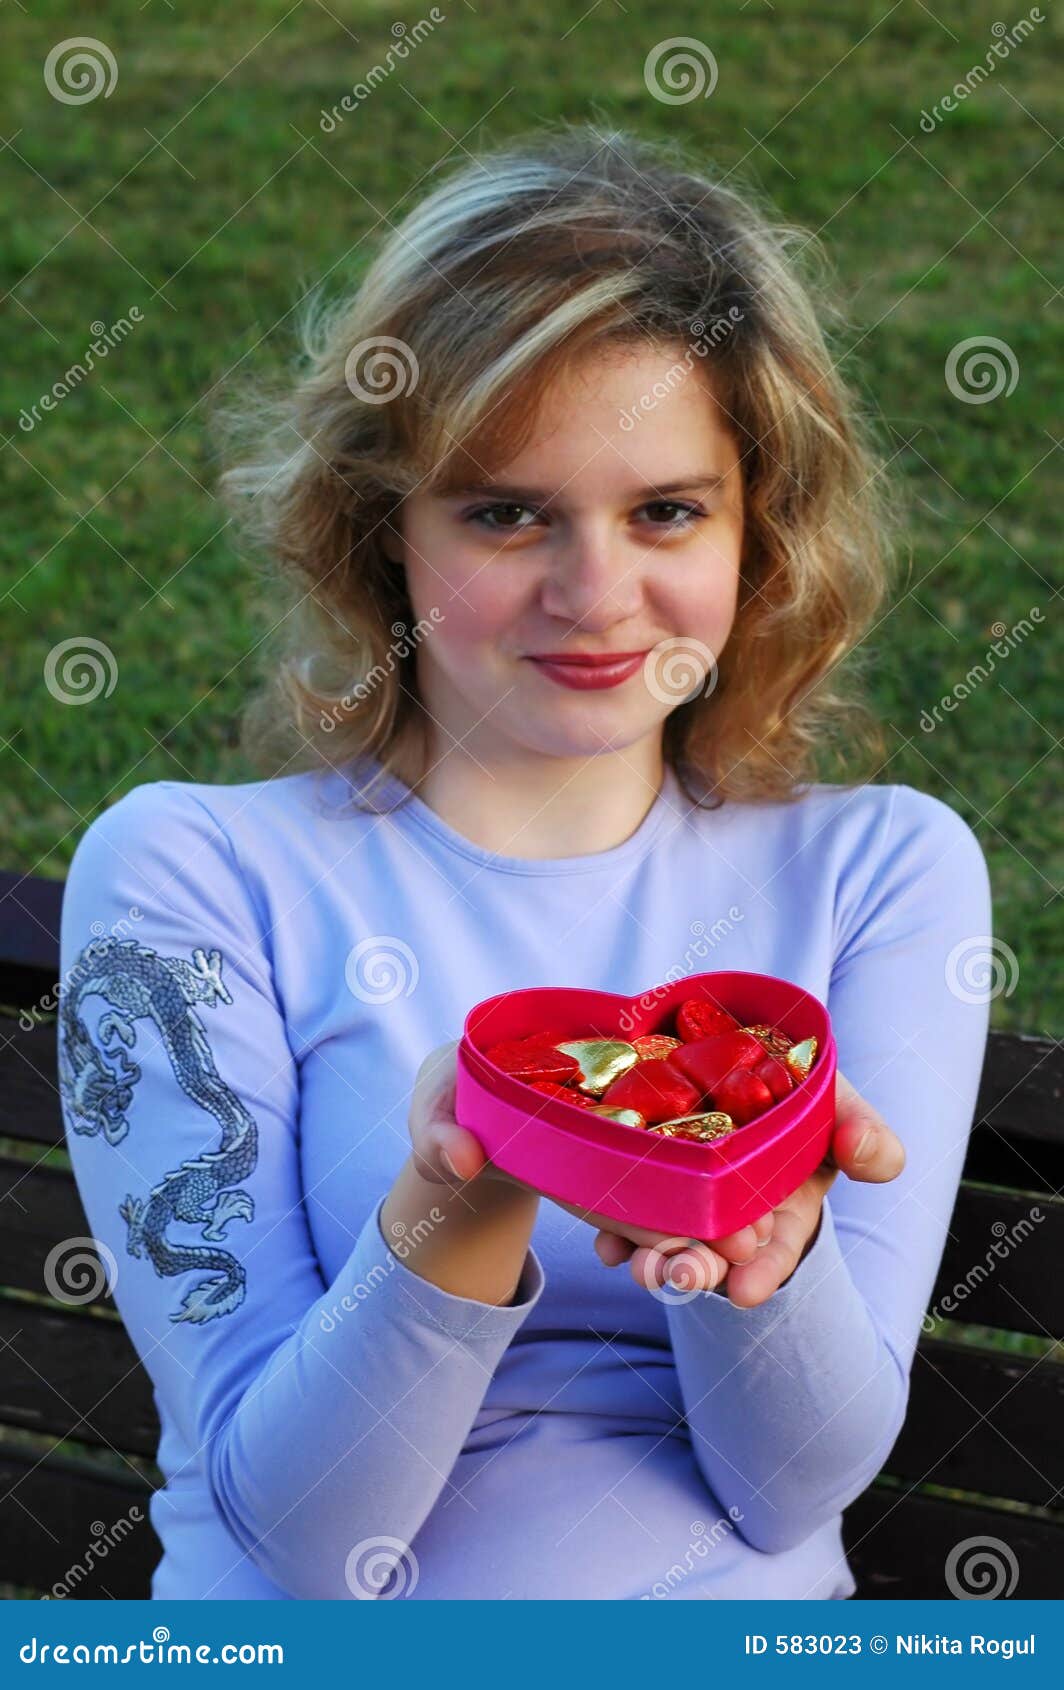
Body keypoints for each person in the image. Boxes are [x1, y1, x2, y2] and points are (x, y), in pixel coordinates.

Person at [57, 124, 991, 1601]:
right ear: (385, 530)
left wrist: (758, 1238)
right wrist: (473, 1181)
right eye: (506, 513)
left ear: (759, 527)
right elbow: (306, 1533)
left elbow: (793, 1487)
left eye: (667, 510)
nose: (596, 593)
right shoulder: (193, 875)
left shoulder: (876, 871)